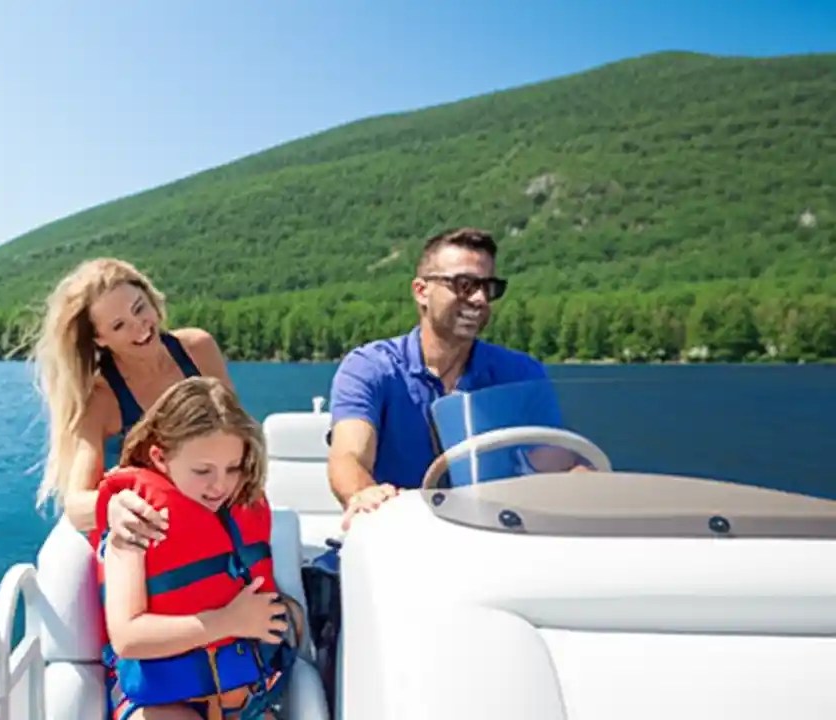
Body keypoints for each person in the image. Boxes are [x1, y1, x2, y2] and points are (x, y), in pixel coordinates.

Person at [326, 227, 585, 531]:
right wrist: (364, 493)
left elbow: (555, 465)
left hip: (493, 539)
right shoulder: (371, 368)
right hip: (398, 537)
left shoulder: (521, 374)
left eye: (488, 287)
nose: (480, 299)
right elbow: (348, 457)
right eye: (464, 285)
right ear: (421, 291)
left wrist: (587, 484)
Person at [91, 377, 302, 720]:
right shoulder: (136, 524)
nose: (220, 485)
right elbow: (128, 638)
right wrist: (228, 621)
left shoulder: (242, 510)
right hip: (159, 705)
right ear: (160, 457)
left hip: (244, 701)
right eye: (203, 470)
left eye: (233, 468)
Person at [30, 257, 234, 541]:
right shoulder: (102, 399)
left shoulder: (199, 350)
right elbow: (76, 504)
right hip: (153, 531)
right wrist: (113, 507)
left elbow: (237, 431)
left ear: (151, 299)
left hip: (216, 506)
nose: (140, 327)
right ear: (99, 339)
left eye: (139, 308)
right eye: (119, 325)